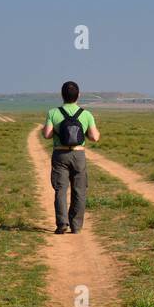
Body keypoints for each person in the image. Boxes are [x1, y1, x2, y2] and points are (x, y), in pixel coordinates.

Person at [41, 80, 100, 234]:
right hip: (79, 154)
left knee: (60, 189)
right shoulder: (86, 114)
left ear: (62, 95)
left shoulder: (53, 112)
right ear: (78, 95)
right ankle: (76, 225)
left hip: (60, 154)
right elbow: (94, 137)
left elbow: (47, 135)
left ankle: (62, 223)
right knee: (79, 190)